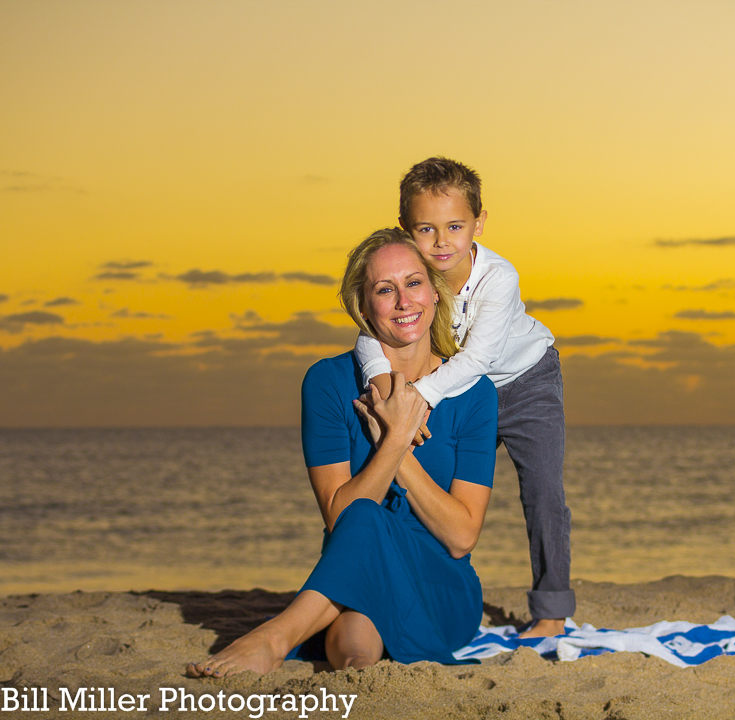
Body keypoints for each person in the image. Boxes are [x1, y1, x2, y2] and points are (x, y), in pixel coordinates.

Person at [186, 228, 497, 677]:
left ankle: (273, 639)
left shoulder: (476, 394)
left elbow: (462, 536)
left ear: (435, 290)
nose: (404, 301)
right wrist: (393, 442)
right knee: (356, 621)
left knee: (368, 526)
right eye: (385, 290)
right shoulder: (327, 383)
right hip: (351, 573)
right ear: (364, 305)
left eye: (413, 283)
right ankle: (358, 679)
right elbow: (339, 517)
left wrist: (396, 442)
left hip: (441, 587)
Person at [355, 157, 574, 638]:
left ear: (479, 222)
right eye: (425, 229)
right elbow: (371, 331)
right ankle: (422, 589)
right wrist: (382, 382)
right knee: (422, 477)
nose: (441, 242)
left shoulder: (499, 277)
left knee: (542, 490)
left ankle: (552, 610)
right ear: (404, 229)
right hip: (456, 391)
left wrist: (415, 398)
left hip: (523, 382)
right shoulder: (407, 274)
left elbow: (477, 359)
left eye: (455, 226)